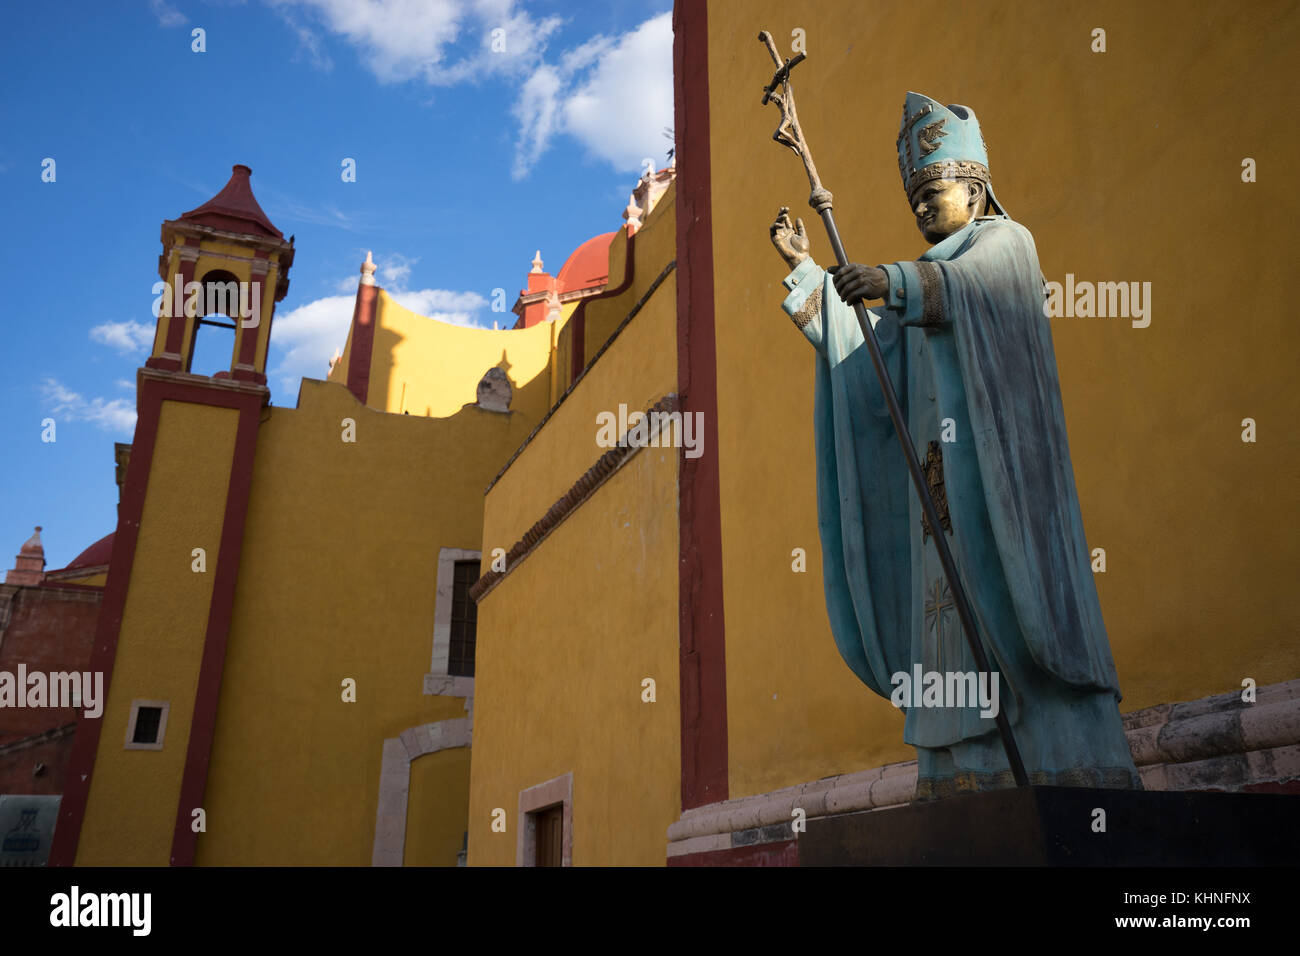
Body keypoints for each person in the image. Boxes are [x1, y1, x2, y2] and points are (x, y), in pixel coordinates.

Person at [771, 92, 1140, 798]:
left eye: (932, 193)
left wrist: (892, 281)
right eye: (914, 199)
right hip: (939, 499)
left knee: (1009, 619)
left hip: (1003, 496)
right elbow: (872, 366)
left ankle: (1063, 766)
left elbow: (965, 289)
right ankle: (965, 778)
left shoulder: (1007, 245)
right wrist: (810, 277)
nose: (920, 209)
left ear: (974, 191)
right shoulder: (921, 279)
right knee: (947, 630)